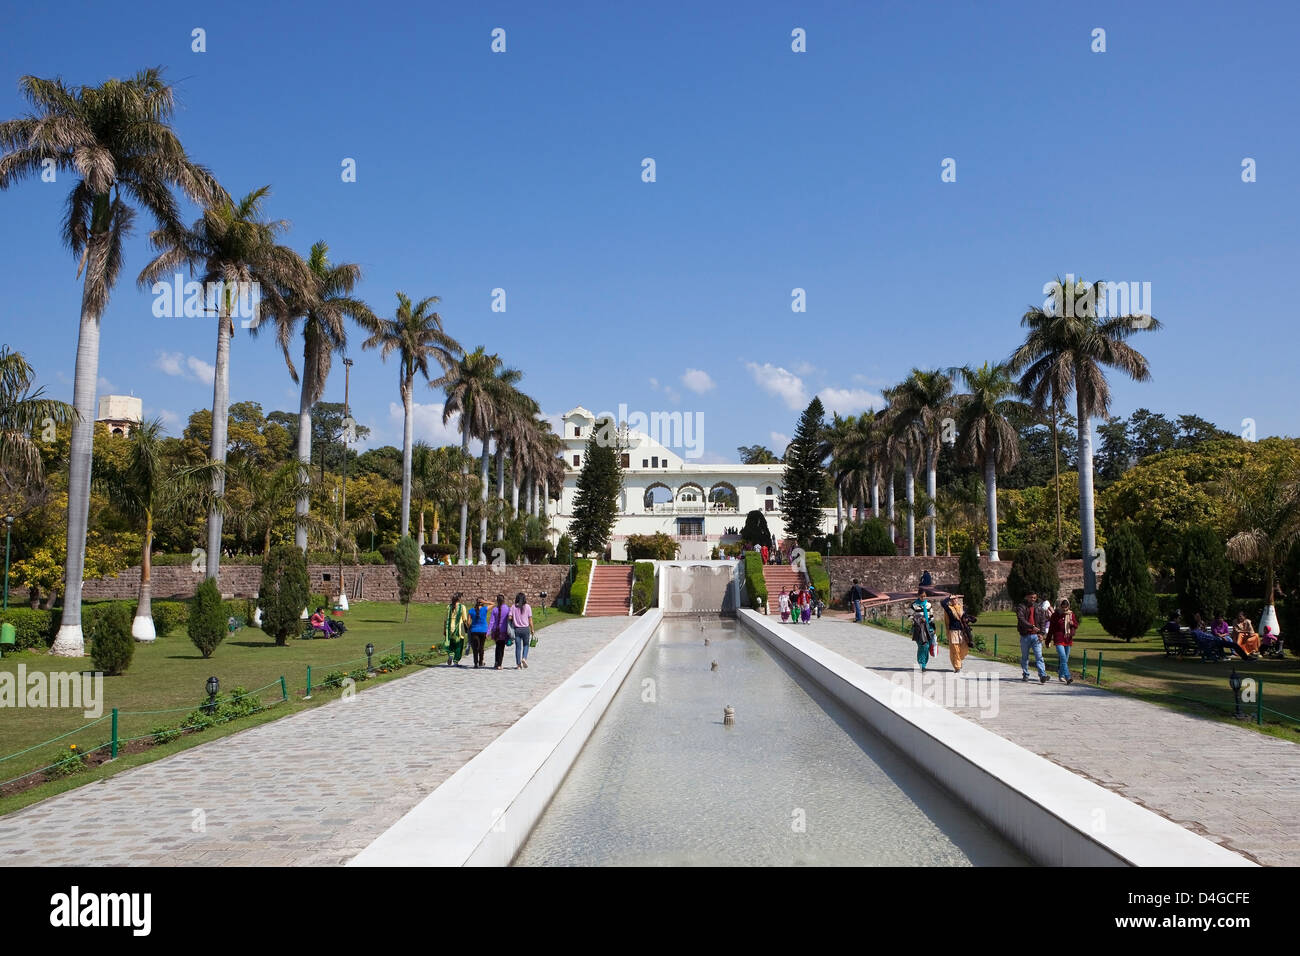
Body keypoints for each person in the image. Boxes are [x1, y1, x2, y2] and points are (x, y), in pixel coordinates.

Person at [1015, 591, 1049, 683]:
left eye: (1034, 598)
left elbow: (1043, 621)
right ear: (1027, 597)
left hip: (1036, 636)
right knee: (1025, 657)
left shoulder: (1038, 607)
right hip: (1025, 636)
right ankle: (1025, 674)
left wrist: (1042, 634)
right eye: (1031, 597)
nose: (1033, 599)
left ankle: (1042, 675)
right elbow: (1021, 619)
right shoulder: (1021, 607)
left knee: (1039, 656)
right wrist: (1032, 626)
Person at [941, 596, 975, 672]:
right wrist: (949, 597)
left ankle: (958, 660)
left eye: (955, 598)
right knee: (955, 649)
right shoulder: (949, 609)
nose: (954, 600)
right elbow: (942, 603)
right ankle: (957, 666)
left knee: (964, 649)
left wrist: (968, 619)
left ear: (957, 599)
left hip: (962, 631)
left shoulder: (962, 608)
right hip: (953, 631)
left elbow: (966, 617)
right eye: (952, 599)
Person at [1048, 599, 1078, 684]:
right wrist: (1048, 640)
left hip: (1068, 639)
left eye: (1066, 607)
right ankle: (1068, 677)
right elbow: (1051, 628)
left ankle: (1061, 675)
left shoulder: (1071, 614)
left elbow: (1076, 625)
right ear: (1060, 606)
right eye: (1063, 607)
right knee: (1063, 658)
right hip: (1058, 639)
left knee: (1065, 659)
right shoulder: (1055, 615)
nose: (1065, 609)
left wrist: (1072, 623)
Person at [443, 592, 469, 667]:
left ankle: (451, 654)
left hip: (449, 628)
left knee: (451, 643)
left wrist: (444, 630)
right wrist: (468, 627)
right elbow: (464, 619)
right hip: (459, 628)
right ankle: (456, 661)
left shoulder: (449, 607)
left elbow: (445, 620)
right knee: (459, 645)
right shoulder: (462, 607)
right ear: (459, 598)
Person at [511, 592, 534, 669]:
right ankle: (524, 658)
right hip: (525, 629)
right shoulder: (527, 607)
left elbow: (509, 617)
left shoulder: (513, 607)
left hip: (517, 629)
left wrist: (514, 618)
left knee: (518, 647)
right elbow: (530, 620)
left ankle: (518, 665)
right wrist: (532, 629)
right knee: (526, 645)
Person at [488, 593, 510, 669]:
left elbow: (491, 621)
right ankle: (499, 664)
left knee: (497, 647)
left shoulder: (495, 609)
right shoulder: (507, 608)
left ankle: (496, 662)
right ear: (504, 600)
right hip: (503, 631)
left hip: (496, 631)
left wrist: (488, 631)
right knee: (501, 648)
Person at [468, 597, 490, 668]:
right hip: (483, 630)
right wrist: (485, 602)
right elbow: (493, 604)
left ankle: (475, 663)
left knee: (475, 648)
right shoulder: (484, 609)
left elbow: (468, 623)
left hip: (474, 631)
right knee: (481, 647)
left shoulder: (471, 610)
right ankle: (481, 662)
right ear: (482, 603)